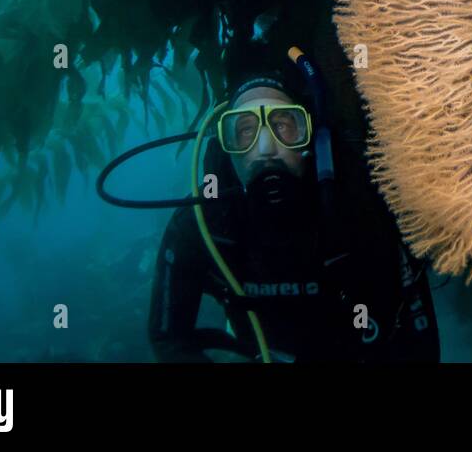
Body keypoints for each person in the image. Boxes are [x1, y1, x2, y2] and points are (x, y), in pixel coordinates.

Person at [148, 40, 440, 362]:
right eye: (244, 132)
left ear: (310, 137)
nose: (265, 149)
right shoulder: (204, 224)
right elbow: (168, 335)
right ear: (225, 146)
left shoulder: (358, 207)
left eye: (283, 126)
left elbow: (420, 344)